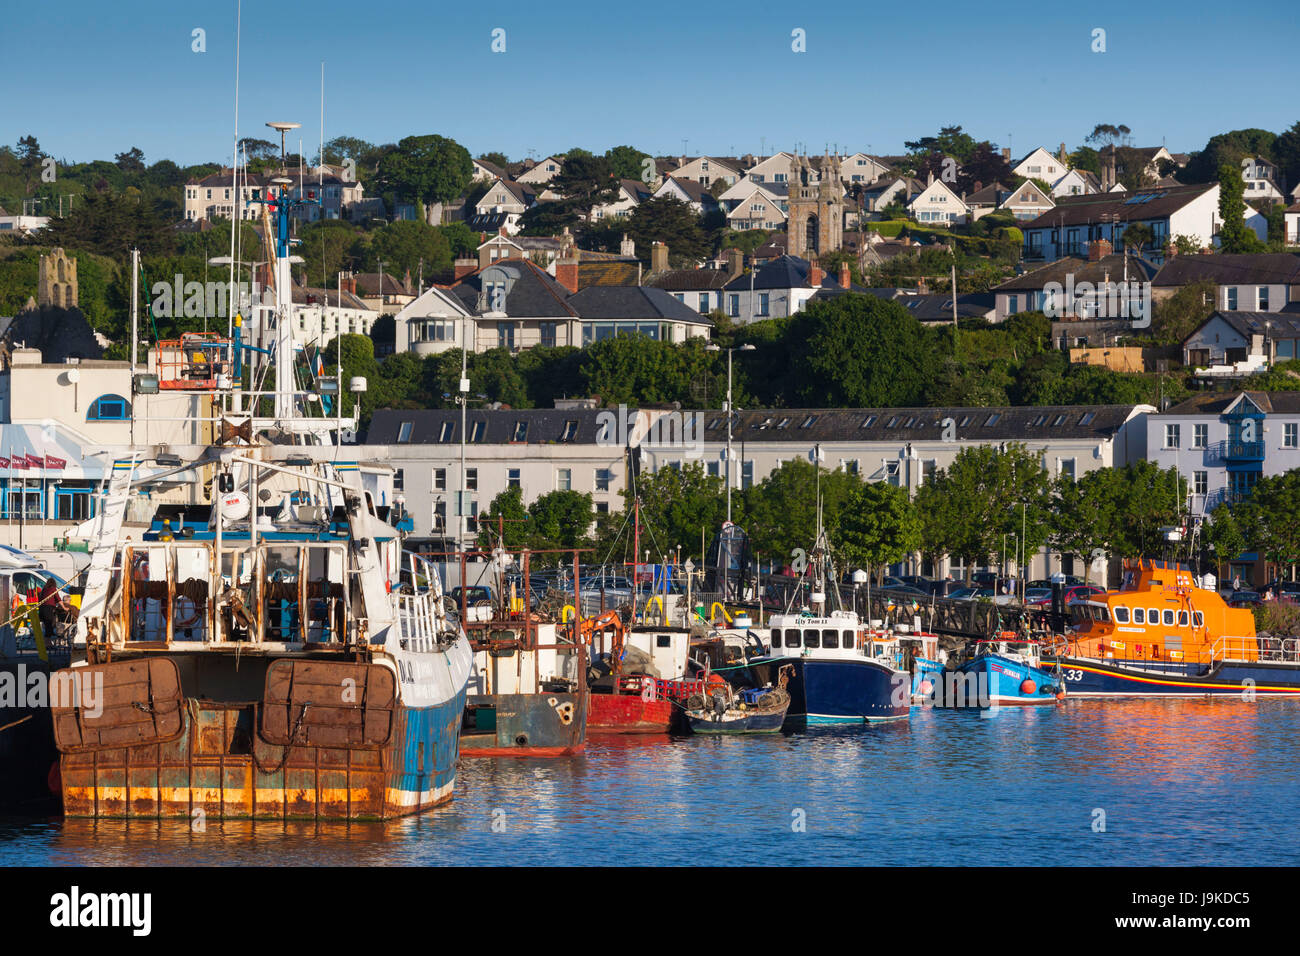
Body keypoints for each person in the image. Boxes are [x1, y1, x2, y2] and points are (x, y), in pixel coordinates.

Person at [37, 575, 68, 641]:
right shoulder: (53, 589)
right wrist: (64, 608)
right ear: (54, 584)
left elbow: (41, 599)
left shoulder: (44, 589)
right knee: (49, 626)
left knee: (47, 626)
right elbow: (59, 599)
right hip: (48, 609)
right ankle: (47, 644)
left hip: (42, 609)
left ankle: (48, 642)